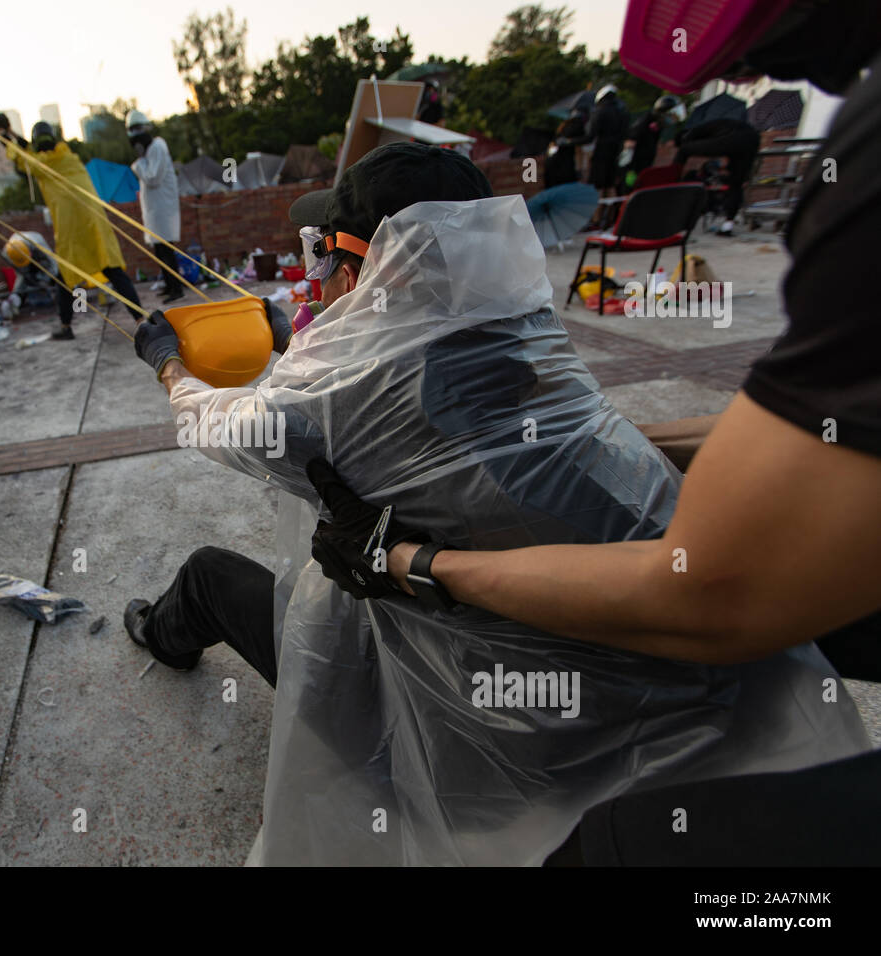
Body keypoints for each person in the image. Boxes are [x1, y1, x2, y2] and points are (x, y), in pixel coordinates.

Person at [125, 141, 865, 865]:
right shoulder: (532, 350)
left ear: (364, 264)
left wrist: (166, 361)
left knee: (210, 574)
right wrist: (299, 339)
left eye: (329, 257)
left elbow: (216, 422)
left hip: (477, 736)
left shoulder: (329, 406)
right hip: (651, 722)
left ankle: (162, 634)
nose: (319, 274)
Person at [304, 0, 881, 865]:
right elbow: (810, 434)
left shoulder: (867, 168)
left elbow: (716, 595)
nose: (748, 77)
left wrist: (410, 565)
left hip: (667, 679)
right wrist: (603, 435)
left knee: (610, 849)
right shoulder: (521, 362)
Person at [0, 116, 144, 339]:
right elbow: (32, 155)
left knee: (64, 277)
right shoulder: (68, 157)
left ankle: (66, 327)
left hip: (72, 231)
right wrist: (13, 136)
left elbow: (25, 160)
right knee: (112, 270)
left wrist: (5, 140)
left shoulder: (43, 165)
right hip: (94, 225)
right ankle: (141, 320)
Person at [126, 110, 183, 304]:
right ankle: (169, 285)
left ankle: (176, 289)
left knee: (166, 249)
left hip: (163, 209)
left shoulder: (157, 146)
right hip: (154, 210)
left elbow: (153, 178)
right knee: (159, 250)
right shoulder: (150, 150)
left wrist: (139, 162)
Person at [674, 115, 762, 235]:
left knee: (684, 150)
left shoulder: (693, 132)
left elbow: (714, 145)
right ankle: (728, 226)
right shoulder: (720, 124)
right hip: (753, 139)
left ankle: (671, 184)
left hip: (735, 138)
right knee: (736, 183)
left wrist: (683, 148)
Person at [561, 84, 629, 202]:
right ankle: (612, 215)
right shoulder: (621, 111)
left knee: (597, 186)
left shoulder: (600, 111)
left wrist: (569, 142)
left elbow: (590, 137)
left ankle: (596, 217)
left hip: (602, 153)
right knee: (610, 185)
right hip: (616, 152)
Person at [621, 94, 685, 186]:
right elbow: (629, 146)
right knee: (629, 188)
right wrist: (629, 171)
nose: (672, 119)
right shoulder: (643, 124)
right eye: (670, 115)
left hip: (645, 166)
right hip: (634, 169)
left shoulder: (657, 125)